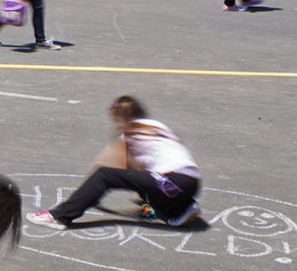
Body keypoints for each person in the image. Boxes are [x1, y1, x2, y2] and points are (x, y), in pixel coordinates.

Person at [29, 96, 202, 229]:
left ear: (121, 117)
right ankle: (181, 208)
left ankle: (59, 217)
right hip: (189, 182)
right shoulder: (156, 126)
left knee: (104, 175)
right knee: (142, 184)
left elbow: (110, 169)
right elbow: (136, 173)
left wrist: (89, 195)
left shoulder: (129, 132)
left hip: (171, 181)